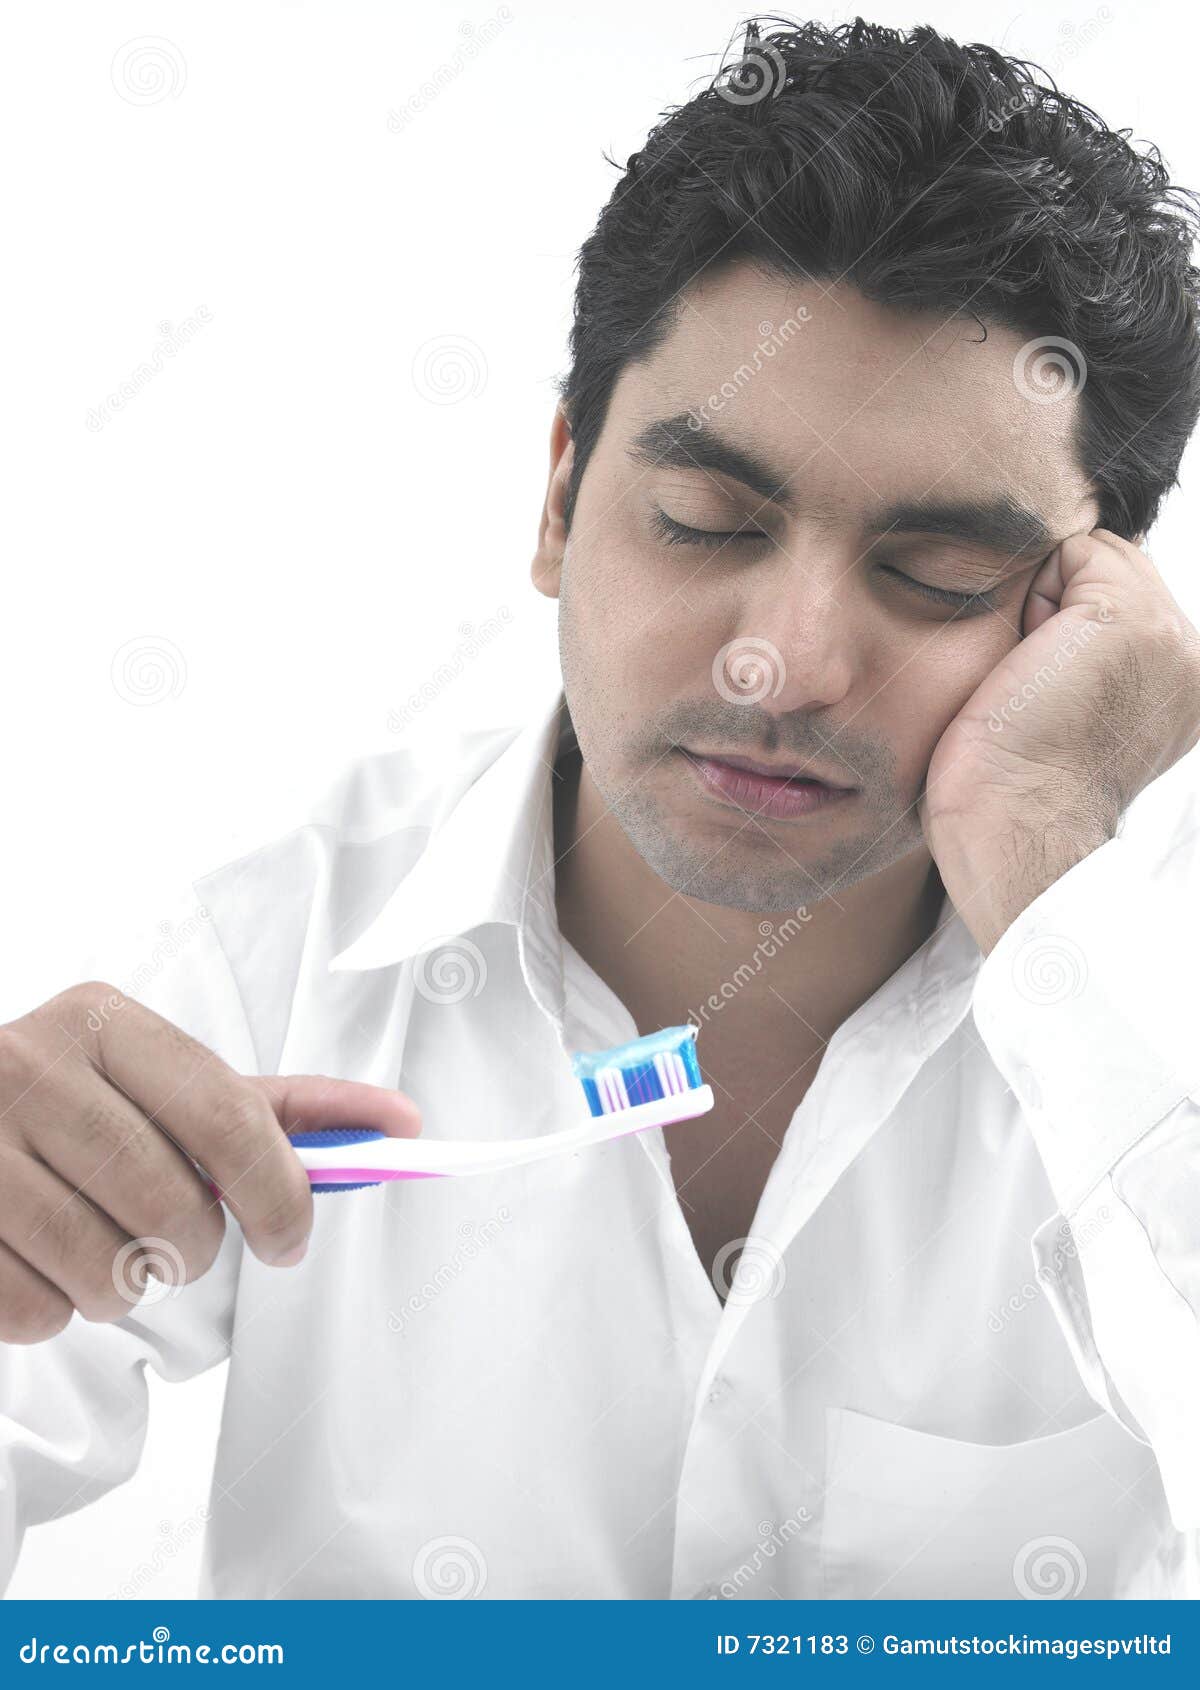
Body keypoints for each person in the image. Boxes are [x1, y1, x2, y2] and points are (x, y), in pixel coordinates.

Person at [3, 16, 1200, 1600]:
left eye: (939, 573)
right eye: (706, 520)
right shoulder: (268, 963)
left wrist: (1051, 860)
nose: (788, 661)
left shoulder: (1151, 1016)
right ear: (561, 496)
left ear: (1087, 611)